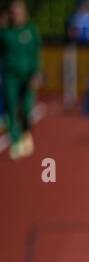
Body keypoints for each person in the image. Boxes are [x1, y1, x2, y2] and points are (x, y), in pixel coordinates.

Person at [1, 0, 39, 160]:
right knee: (11, 107)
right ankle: (16, 140)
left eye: (19, 12)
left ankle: (25, 133)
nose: (16, 15)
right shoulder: (5, 32)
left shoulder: (31, 30)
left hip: (28, 75)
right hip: (11, 76)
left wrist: (36, 73)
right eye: (14, 12)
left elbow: (36, 53)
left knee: (26, 107)